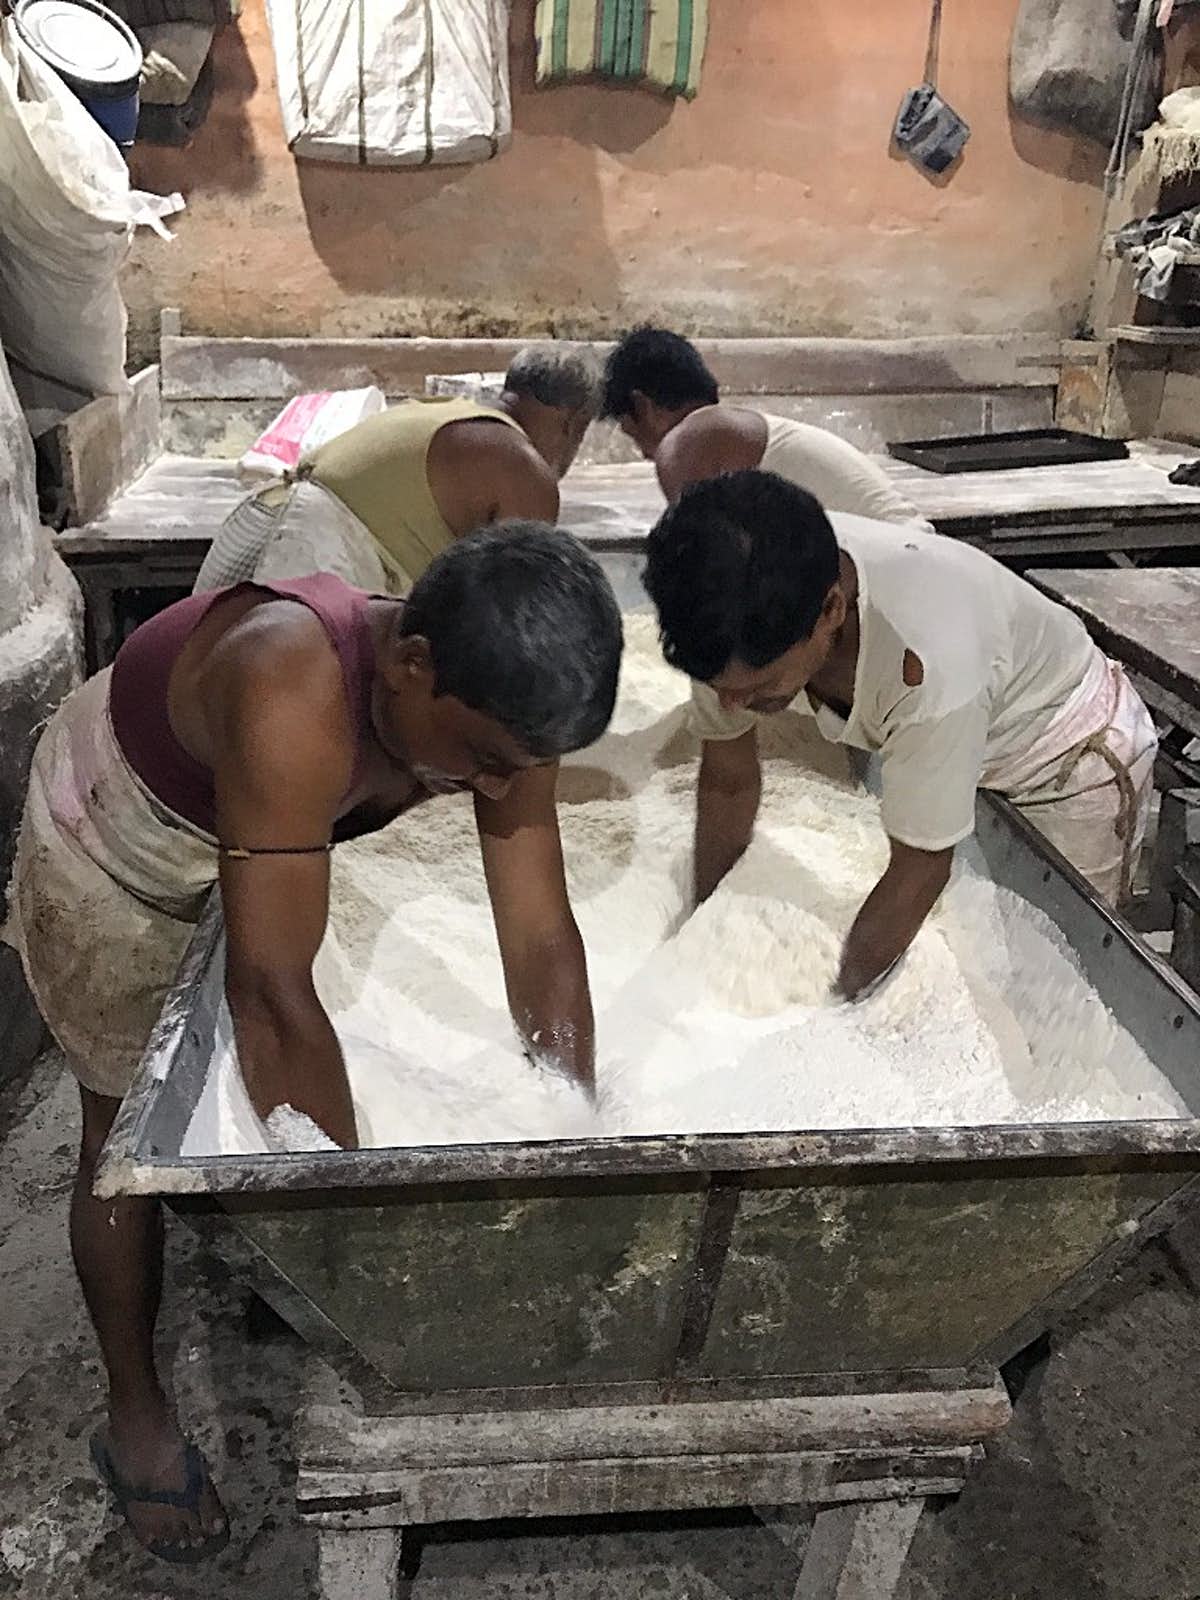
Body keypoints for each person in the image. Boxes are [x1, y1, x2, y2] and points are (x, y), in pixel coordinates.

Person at [7, 526, 622, 1564]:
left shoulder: (504, 711)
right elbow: (273, 994)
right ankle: (137, 1412)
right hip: (120, 843)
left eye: (517, 767)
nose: (494, 785)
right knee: (125, 1130)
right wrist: (367, 1256)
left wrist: (579, 1136)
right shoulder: (290, 682)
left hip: (255, 821)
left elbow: (543, 939)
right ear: (409, 661)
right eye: (478, 760)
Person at [643, 471, 1157, 1000]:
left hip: (1067, 754)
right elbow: (728, 781)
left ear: (831, 610)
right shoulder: (728, 604)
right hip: (973, 724)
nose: (733, 704)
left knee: (1053, 979)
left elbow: (921, 868)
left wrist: (835, 1005)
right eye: (719, 688)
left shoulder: (927, 663)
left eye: (759, 688)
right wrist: (705, 920)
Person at [193, 345, 603, 595]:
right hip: (309, 555)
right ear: (573, 423)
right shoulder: (524, 470)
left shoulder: (443, 416)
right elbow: (507, 606)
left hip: (254, 526)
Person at [602, 325, 930, 528]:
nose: (646, 454)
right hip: (915, 556)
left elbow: (703, 568)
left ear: (644, 406)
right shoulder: (732, 432)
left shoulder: (687, 443)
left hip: (892, 571)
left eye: (636, 437)